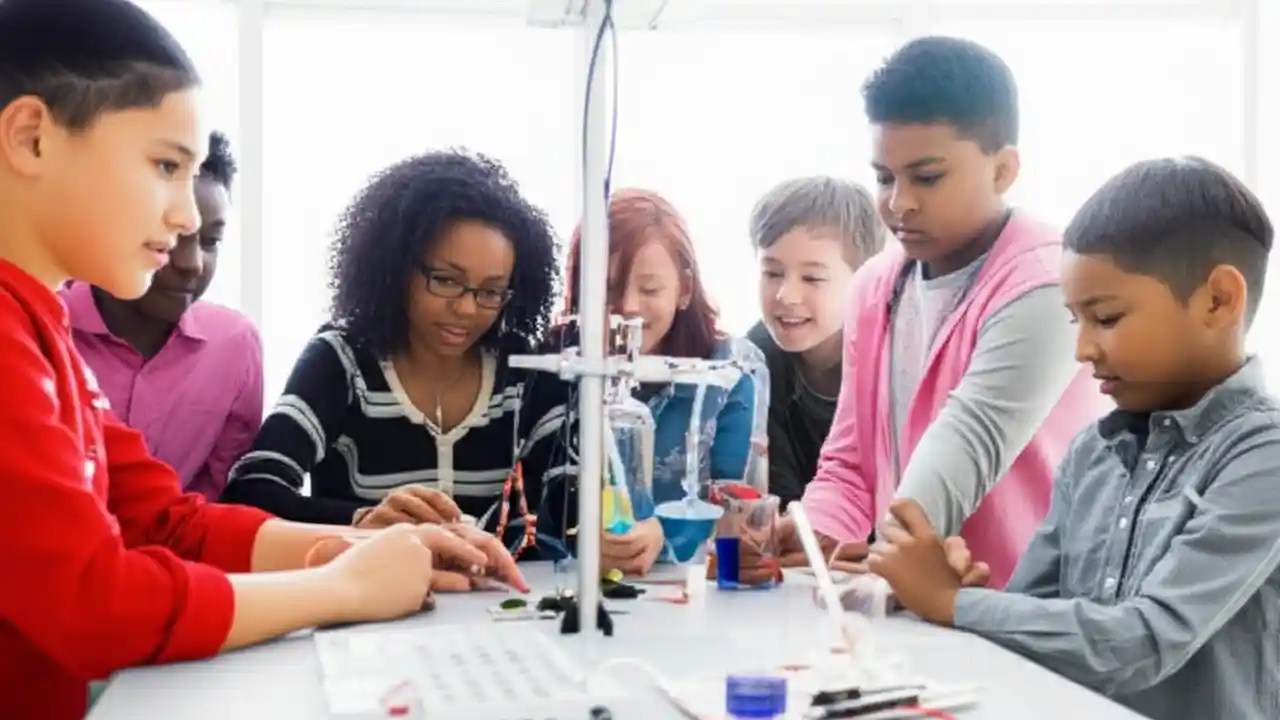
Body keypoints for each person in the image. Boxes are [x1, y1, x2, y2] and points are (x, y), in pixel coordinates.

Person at [0, 3, 524, 717]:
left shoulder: (40, 329)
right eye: (164, 166)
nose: (187, 216)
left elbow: (166, 523)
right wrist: (343, 589)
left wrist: (371, 546)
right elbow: (94, 604)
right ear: (31, 139)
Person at [869, 157, 1279, 720]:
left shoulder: (1262, 458)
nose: (1083, 349)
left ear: (1217, 300)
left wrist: (954, 602)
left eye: (1106, 318)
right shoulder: (1093, 454)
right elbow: (1030, 622)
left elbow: (1144, 642)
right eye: (1075, 322)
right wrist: (956, 594)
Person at [791, 36, 1107, 587]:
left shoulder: (1049, 284)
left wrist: (880, 560)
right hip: (917, 604)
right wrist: (809, 539)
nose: (898, 203)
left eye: (927, 177)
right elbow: (849, 464)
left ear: (1003, 170)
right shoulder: (874, 286)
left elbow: (967, 444)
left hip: (1026, 615)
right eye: (885, 177)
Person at [221, 149, 570, 550]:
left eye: (490, 291)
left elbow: (562, 510)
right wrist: (360, 523)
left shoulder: (525, 371)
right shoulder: (344, 361)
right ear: (396, 266)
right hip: (369, 604)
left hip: (499, 606)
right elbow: (251, 490)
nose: (467, 308)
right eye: (445, 280)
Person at [554, 188, 767, 575]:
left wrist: (663, 535)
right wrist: (581, 539)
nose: (630, 307)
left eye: (650, 289)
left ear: (684, 288)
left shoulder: (728, 375)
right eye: (607, 289)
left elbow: (737, 507)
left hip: (690, 592)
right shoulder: (561, 370)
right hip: (580, 585)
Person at [64, 130, 259, 501]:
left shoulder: (234, 345)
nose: (192, 264)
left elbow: (223, 497)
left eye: (210, 242)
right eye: (169, 235)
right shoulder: (44, 329)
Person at [747, 176, 887, 506]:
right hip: (802, 539)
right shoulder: (756, 362)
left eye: (812, 278)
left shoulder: (894, 357)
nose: (786, 295)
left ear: (866, 279)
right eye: (772, 273)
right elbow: (775, 497)